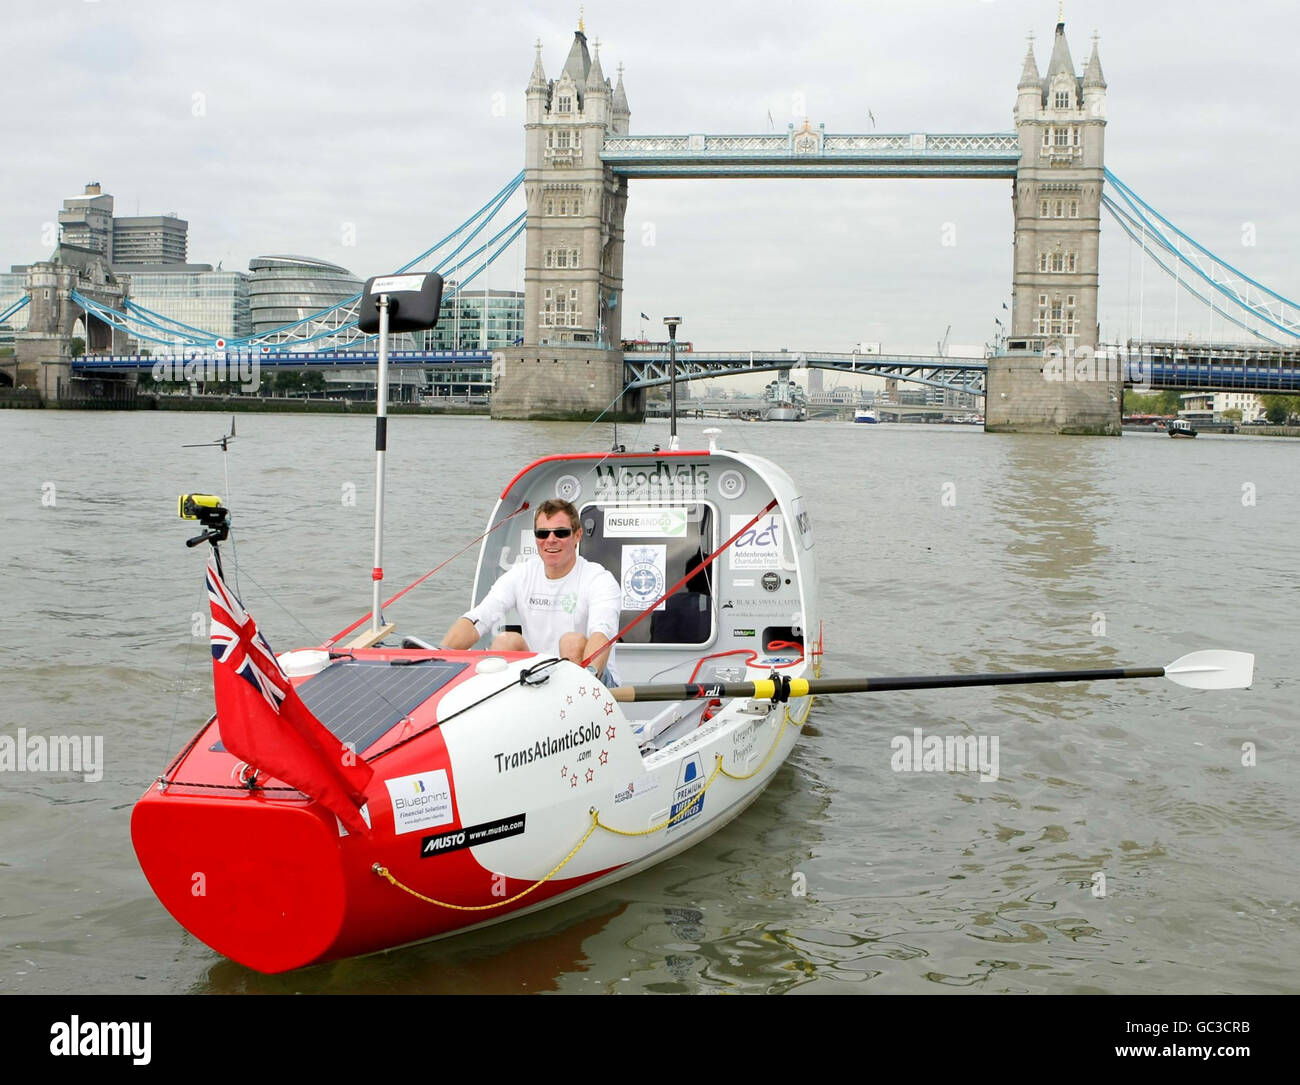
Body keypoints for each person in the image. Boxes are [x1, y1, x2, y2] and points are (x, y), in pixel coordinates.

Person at [439, 498, 622, 682]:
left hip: (593, 680)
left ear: (577, 535)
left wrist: (590, 674)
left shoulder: (599, 579)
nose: (551, 540)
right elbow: (480, 617)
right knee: (505, 641)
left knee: (571, 643)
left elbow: (602, 633)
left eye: (561, 533)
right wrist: (438, 659)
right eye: (542, 533)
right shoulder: (522, 573)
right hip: (540, 679)